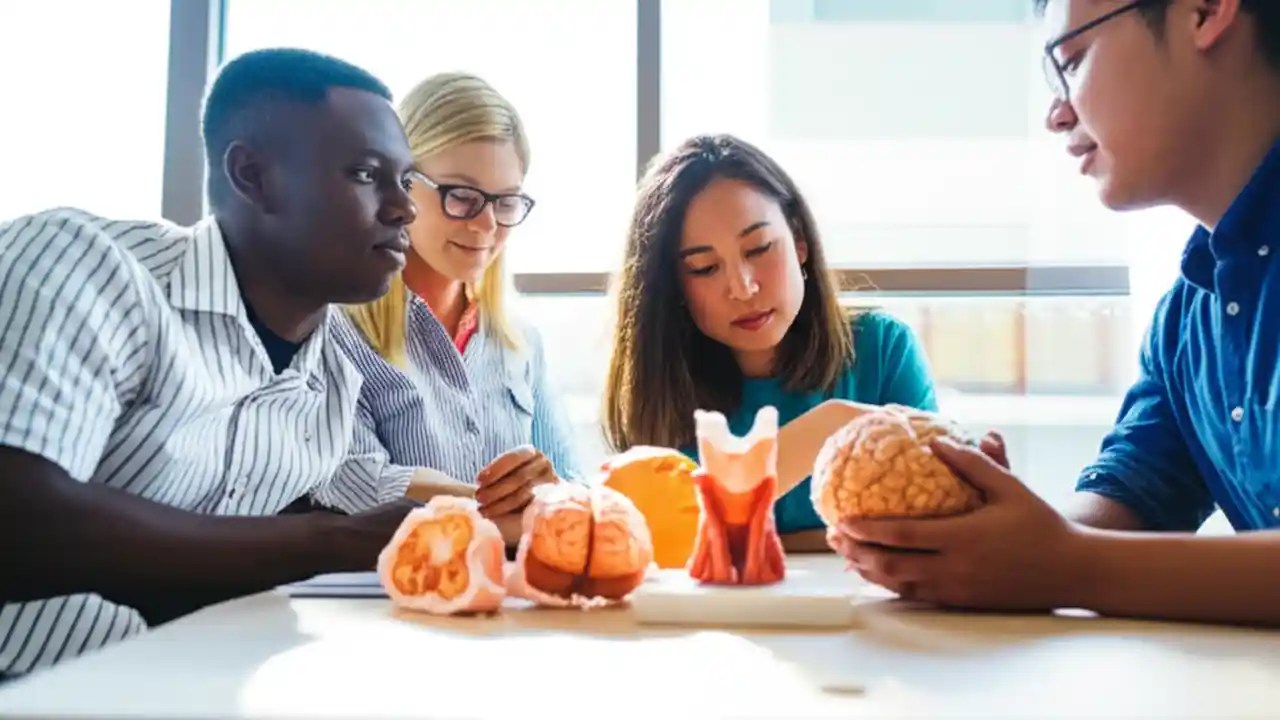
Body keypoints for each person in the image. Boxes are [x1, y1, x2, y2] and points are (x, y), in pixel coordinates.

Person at [828, 0, 1280, 627]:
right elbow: (1130, 500)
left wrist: (1070, 565)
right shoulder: (1188, 317)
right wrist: (986, 531)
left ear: (1204, 12)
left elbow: (1088, 555)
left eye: (1072, 61)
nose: (1056, 112)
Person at [0, 47, 422, 677]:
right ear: (252, 175)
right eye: (366, 174)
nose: (404, 208)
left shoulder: (334, 375)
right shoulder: (84, 265)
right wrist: (336, 542)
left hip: (182, 691)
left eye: (406, 181)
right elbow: (18, 520)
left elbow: (339, 501)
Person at [601, 133, 939, 550]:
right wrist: (827, 427)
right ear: (672, 288)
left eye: (759, 248)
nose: (742, 288)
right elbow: (663, 539)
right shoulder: (658, 382)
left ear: (799, 241)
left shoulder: (882, 347)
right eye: (705, 268)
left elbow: (938, 526)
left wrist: (753, 532)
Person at [334, 72, 580, 524]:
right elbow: (349, 481)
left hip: (513, 592)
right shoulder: (337, 331)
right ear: (400, 183)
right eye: (462, 196)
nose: (486, 224)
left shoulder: (521, 343)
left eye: (506, 201)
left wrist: (555, 493)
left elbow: (574, 489)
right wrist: (498, 511)